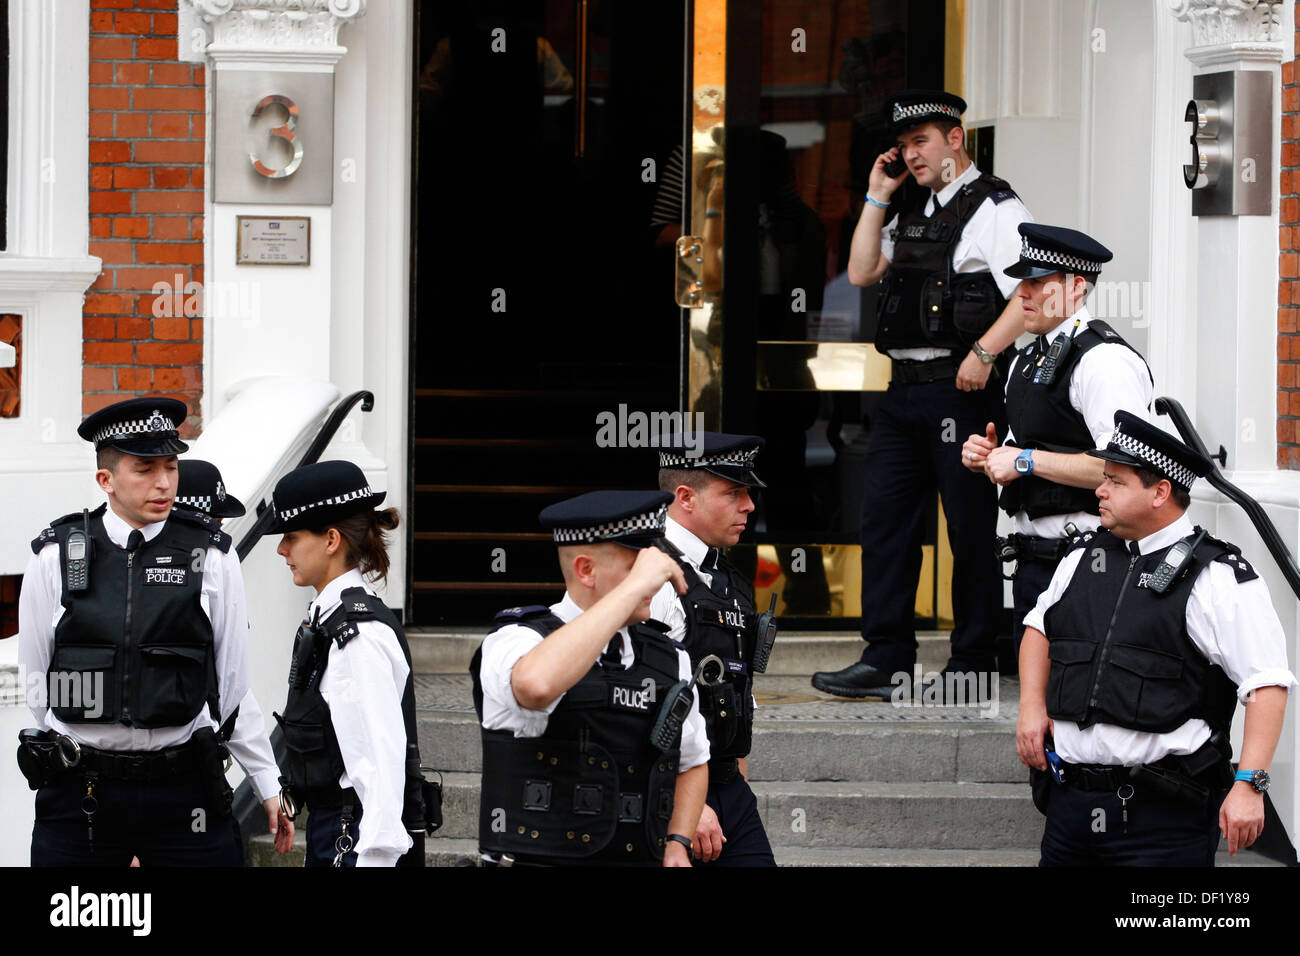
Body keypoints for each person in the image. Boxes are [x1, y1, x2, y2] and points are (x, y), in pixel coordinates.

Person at [813, 89, 1033, 699]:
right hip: (904, 393)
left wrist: (984, 354)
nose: (911, 154)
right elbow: (860, 271)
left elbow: (1031, 288)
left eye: (922, 141)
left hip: (959, 392)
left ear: (955, 139)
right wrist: (876, 198)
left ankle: (974, 660)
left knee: (968, 529)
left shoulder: (996, 207)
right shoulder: (910, 209)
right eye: (904, 144)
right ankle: (886, 658)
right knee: (885, 524)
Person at [1016, 411, 1296, 865]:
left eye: (1116, 482)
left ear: (1160, 492)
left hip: (1160, 820)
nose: (1099, 490)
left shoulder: (1218, 576)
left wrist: (1249, 784)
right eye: (1103, 478)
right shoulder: (1082, 558)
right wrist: (1031, 707)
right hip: (1069, 808)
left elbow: (1267, 684)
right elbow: (1038, 629)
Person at [17, 397, 259, 865]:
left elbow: (230, 684)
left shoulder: (211, 556)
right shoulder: (55, 555)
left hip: (183, 789)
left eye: (171, 466)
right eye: (145, 468)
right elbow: (37, 677)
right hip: (79, 788)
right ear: (106, 479)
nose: (164, 482)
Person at [472, 490, 710, 866]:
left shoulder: (670, 658)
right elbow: (536, 686)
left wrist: (678, 842)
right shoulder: (518, 640)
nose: (654, 584)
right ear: (585, 570)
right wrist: (633, 589)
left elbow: (694, 760)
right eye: (636, 569)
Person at [961, 224, 1153, 670]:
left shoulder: (1104, 360)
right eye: (1021, 281)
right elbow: (1020, 449)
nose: (1022, 293)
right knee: (1039, 715)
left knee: (1078, 709)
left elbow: (1125, 468)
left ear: (1077, 287)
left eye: (1036, 282)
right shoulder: (1026, 361)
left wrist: (1024, 461)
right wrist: (989, 456)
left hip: (1091, 563)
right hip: (1033, 564)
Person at [269, 460, 433, 867]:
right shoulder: (330, 618)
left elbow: (379, 760)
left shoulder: (357, 636)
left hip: (355, 837)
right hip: (338, 825)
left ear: (330, 540)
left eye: (291, 536)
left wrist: (375, 857)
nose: (281, 549)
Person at [650, 434, 777, 866]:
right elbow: (644, 702)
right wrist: (687, 807)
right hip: (672, 795)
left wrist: (737, 784)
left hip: (727, 791)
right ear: (685, 497)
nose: (749, 506)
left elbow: (736, 688)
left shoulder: (728, 578)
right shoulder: (650, 576)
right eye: (734, 493)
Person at [174, 457, 294, 855]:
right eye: (211, 521)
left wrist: (267, 782)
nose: (217, 533)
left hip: (199, 775)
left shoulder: (216, 568)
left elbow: (232, 694)